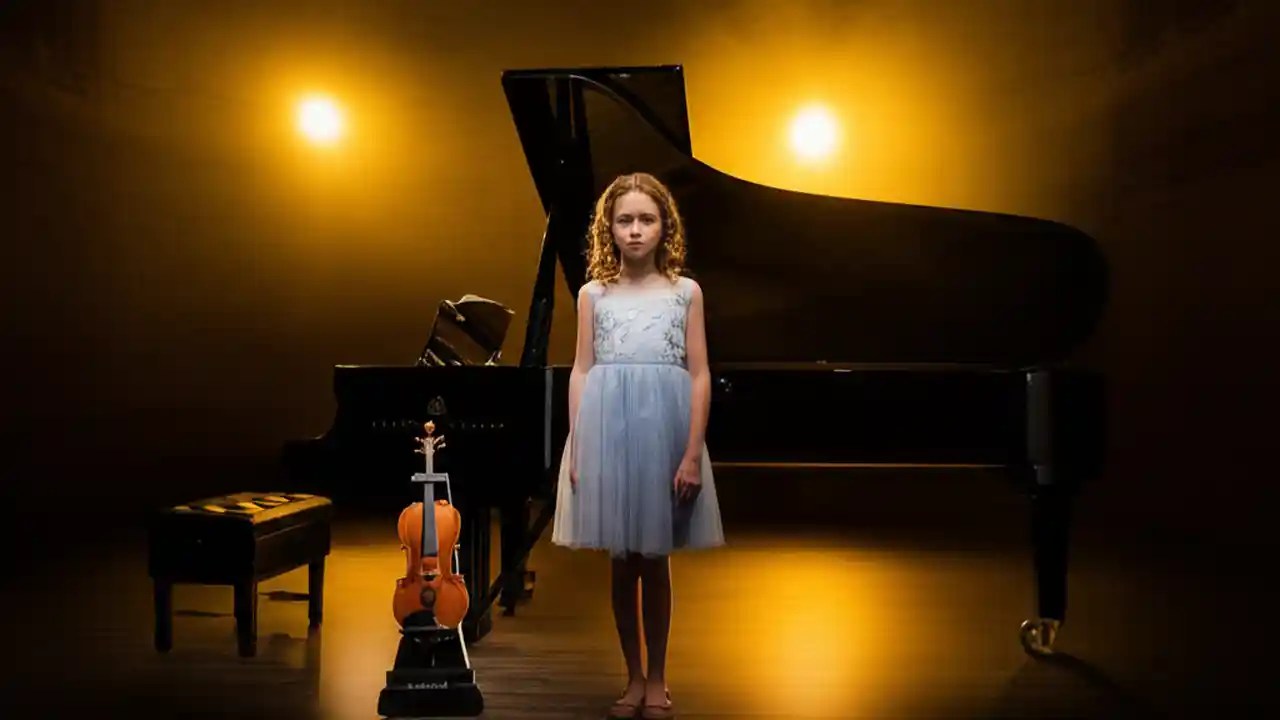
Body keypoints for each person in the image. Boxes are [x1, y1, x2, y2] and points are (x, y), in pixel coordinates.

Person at [551, 172, 725, 719]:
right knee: (622, 561)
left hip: (664, 431)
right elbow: (582, 369)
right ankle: (630, 676)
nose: (634, 230)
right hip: (608, 430)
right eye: (623, 220)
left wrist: (691, 452)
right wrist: (578, 444)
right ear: (609, 228)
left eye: (645, 219)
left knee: (655, 558)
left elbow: (699, 374)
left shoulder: (684, 292)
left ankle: (658, 677)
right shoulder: (592, 294)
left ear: (663, 226)